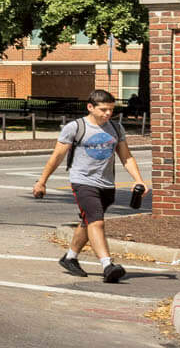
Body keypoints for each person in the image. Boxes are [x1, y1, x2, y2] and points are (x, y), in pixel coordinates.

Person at [32, 88, 147, 282]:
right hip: (83, 182)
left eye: (111, 109)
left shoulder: (116, 128)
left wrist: (138, 179)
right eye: (103, 109)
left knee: (87, 221)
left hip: (107, 184)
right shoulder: (75, 128)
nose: (108, 113)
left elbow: (126, 157)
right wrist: (42, 181)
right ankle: (107, 265)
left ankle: (70, 257)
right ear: (90, 107)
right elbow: (57, 156)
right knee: (97, 220)